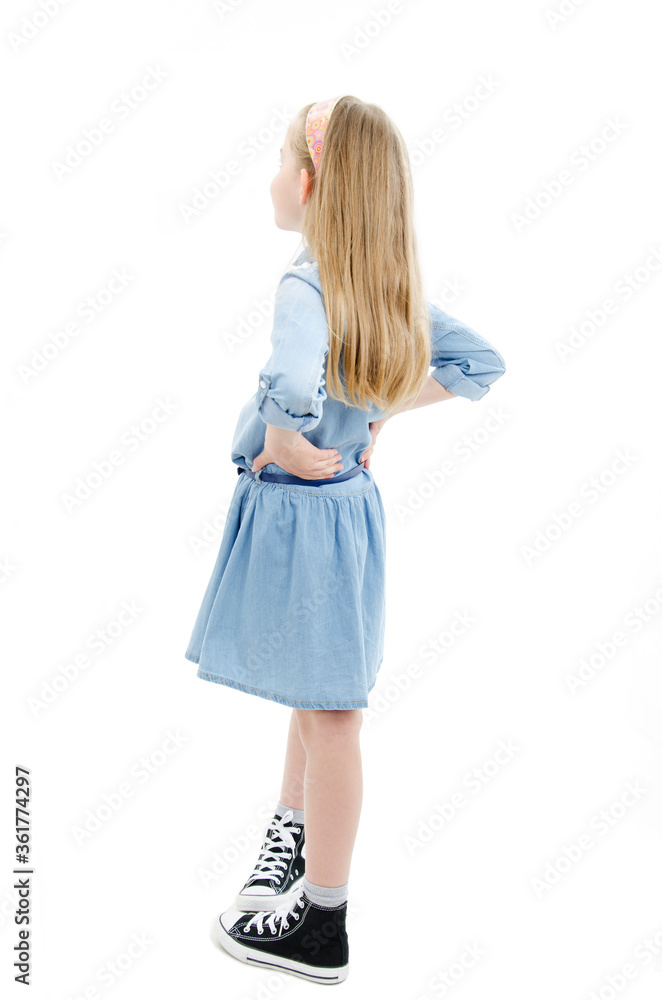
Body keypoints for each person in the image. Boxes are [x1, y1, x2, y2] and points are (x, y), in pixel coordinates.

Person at [184, 95, 506, 985]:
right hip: (352, 515)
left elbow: (290, 378)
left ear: (313, 181)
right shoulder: (381, 279)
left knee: (330, 713)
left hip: (303, 518)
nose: (274, 180)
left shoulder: (309, 280)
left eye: (283, 162)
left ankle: (321, 921)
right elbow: (476, 363)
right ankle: (292, 837)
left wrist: (291, 433)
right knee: (315, 686)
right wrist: (375, 405)